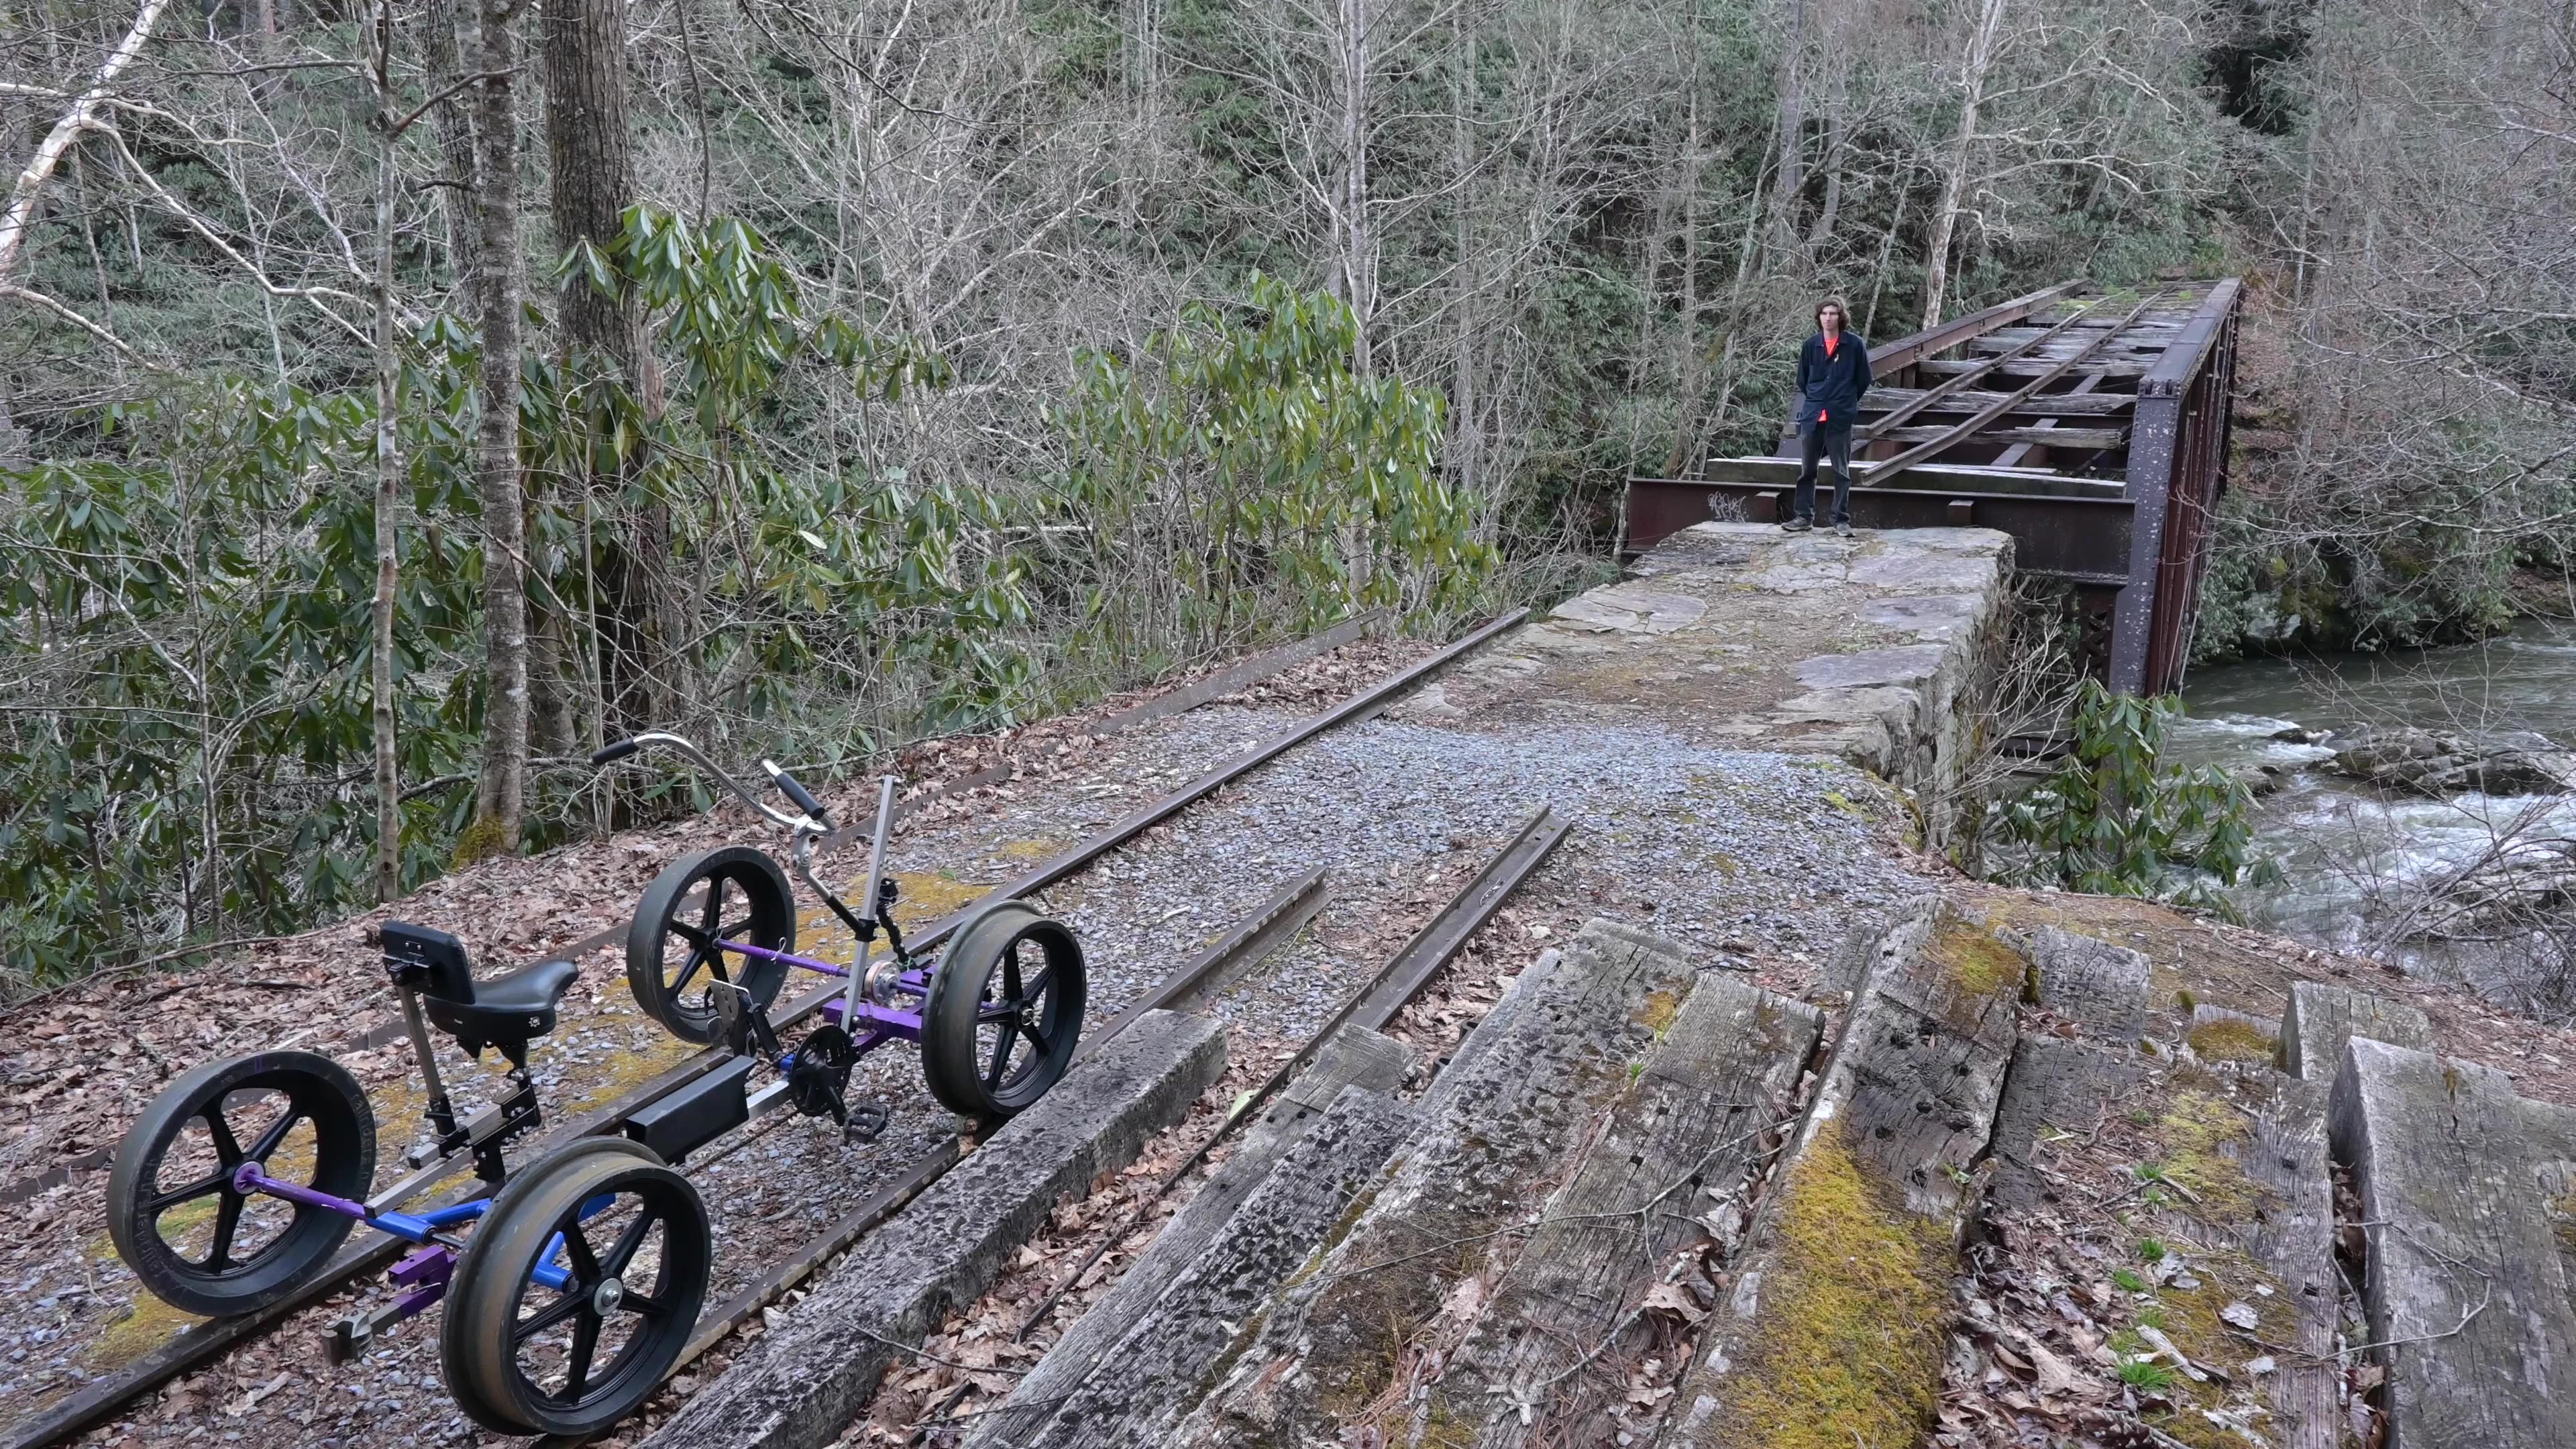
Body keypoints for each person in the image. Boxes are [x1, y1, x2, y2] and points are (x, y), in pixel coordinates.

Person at [1785, 297, 1870, 536]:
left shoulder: (1854, 345)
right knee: (1807, 471)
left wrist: (1844, 400)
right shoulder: (1811, 345)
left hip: (1840, 416)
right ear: (1819, 317)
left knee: (1841, 471)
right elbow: (1802, 379)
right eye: (1824, 313)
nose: (1828, 318)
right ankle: (1803, 517)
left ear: (1840, 317)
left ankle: (1841, 520)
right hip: (1813, 415)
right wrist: (1817, 398)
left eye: (1833, 313)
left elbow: (1864, 379)